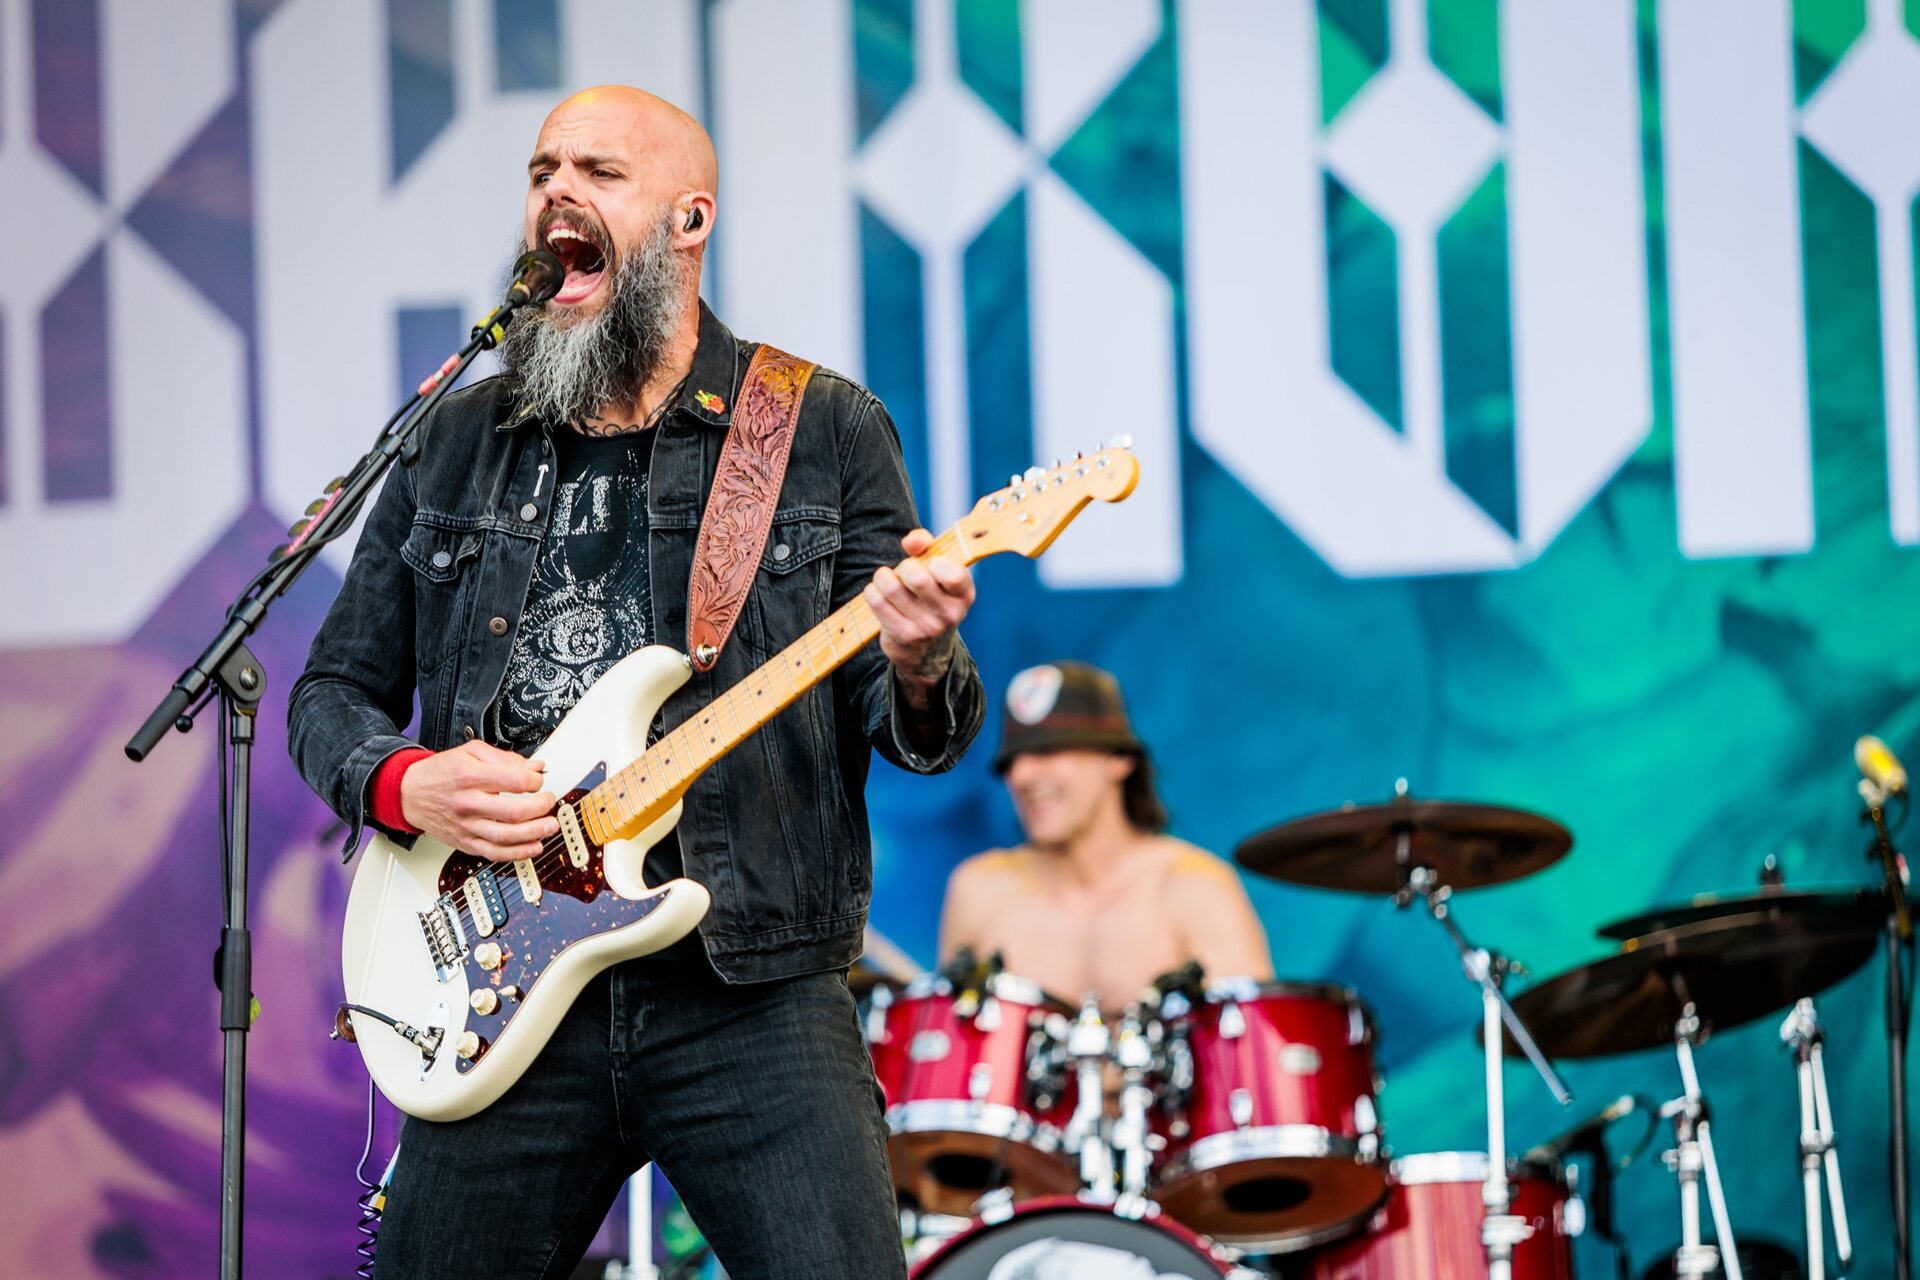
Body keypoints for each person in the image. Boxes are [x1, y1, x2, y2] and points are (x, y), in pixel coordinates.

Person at [288, 85, 983, 1280]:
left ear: (687, 220)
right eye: (543, 167)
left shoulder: (817, 429)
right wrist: (409, 785)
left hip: (749, 983)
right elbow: (328, 695)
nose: (559, 189)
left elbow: (908, 722)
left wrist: (918, 656)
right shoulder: (452, 440)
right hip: (498, 973)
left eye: (601, 172)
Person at [939, 662, 1271, 1012]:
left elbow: (1245, 1054)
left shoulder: (1196, 887)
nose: (1021, 775)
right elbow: (942, 1050)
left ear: (1119, 759)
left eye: (1049, 750)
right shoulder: (979, 888)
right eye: (1010, 761)